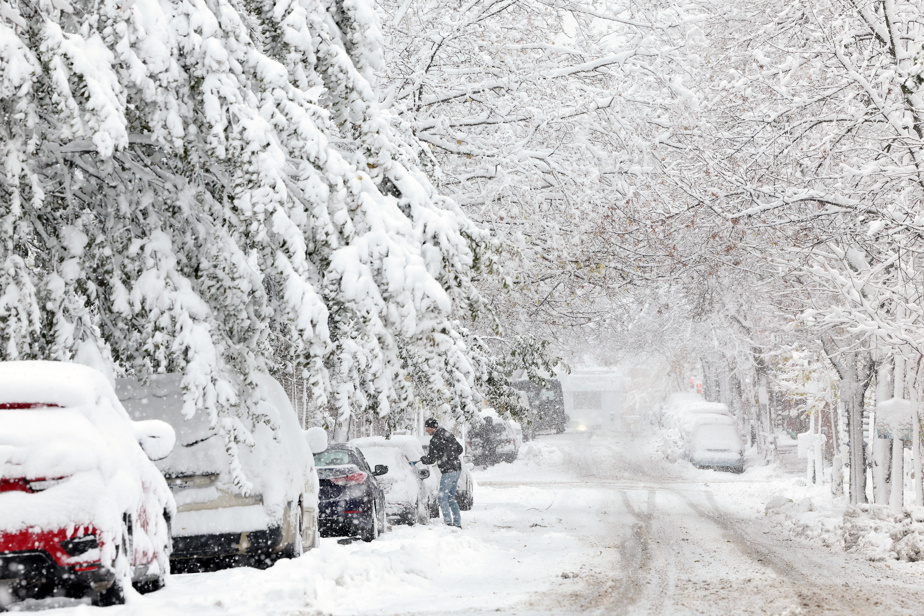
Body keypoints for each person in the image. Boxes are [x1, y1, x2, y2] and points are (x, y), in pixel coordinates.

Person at [419, 418, 464, 528]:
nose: (426, 431)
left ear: (431, 428)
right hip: (457, 468)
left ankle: (448, 522)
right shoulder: (447, 434)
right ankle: (457, 522)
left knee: (442, 497)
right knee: (451, 497)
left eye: (427, 428)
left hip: (448, 470)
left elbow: (431, 459)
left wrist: (423, 459)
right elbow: (460, 449)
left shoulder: (435, 440)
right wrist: (451, 455)